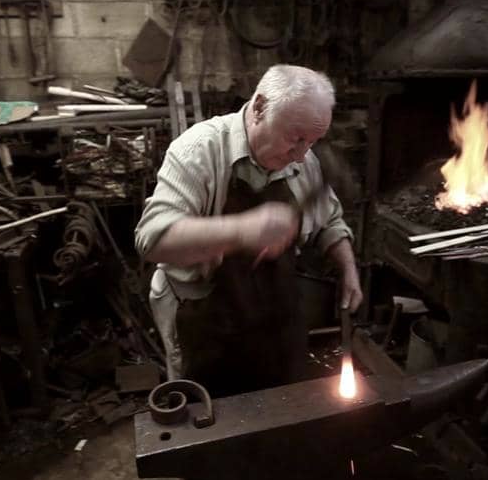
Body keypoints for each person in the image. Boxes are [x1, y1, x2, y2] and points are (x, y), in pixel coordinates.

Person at [134, 64, 362, 396]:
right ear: (259, 108)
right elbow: (152, 238)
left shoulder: (305, 161)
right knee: (207, 411)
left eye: (312, 142)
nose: (302, 156)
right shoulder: (199, 150)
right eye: (295, 138)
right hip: (204, 320)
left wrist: (348, 267)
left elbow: (330, 221)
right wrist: (242, 230)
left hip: (275, 319)